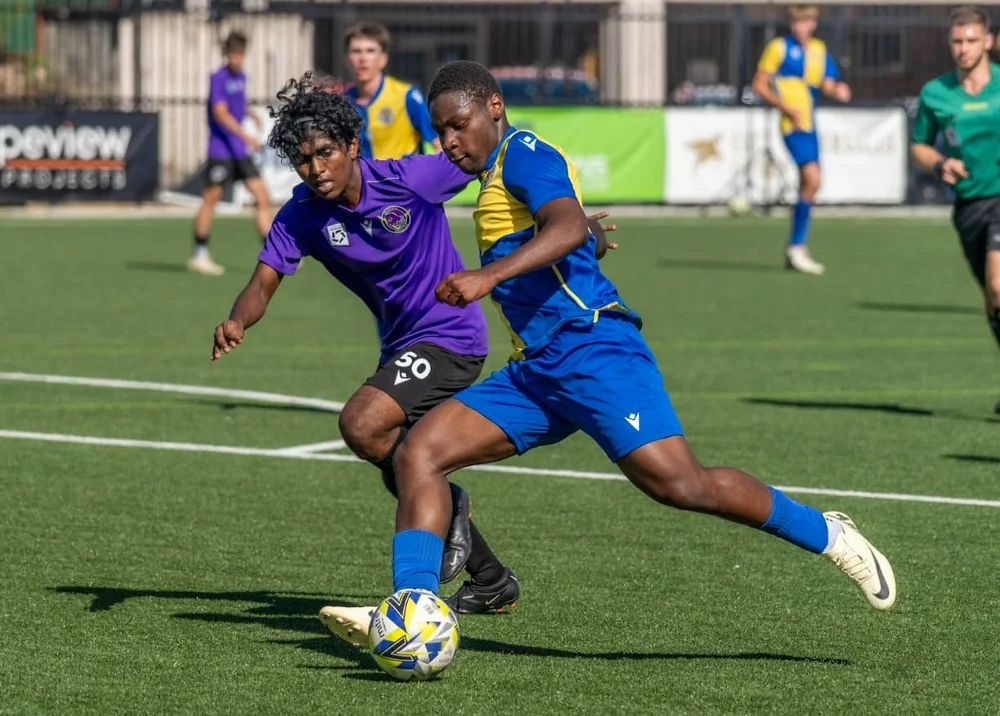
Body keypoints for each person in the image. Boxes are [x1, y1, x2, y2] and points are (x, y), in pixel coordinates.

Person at [373, 61, 897, 626]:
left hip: (594, 350)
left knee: (680, 484)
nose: (449, 141)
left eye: (458, 124)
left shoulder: (522, 151)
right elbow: (568, 235)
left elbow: (566, 225)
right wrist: (574, 243)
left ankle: (828, 533)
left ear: (493, 107)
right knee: (418, 454)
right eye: (441, 131)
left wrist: (490, 275)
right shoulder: (494, 178)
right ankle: (413, 607)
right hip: (538, 371)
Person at [209, 73, 518, 640]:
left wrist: (566, 221)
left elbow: (490, 155)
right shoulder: (301, 215)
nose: (315, 168)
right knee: (398, 462)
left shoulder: (411, 180)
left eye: (325, 152)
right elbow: (261, 283)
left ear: (352, 147)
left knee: (362, 422)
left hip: (451, 335)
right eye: (302, 160)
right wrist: (236, 319)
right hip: (402, 346)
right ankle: (490, 575)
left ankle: (447, 517)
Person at [911, 6, 1000, 414]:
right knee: (993, 299)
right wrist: (939, 163)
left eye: (971, 41)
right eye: (956, 42)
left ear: (989, 41)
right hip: (969, 205)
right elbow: (920, 145)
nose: (963, 49)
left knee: (999, 284)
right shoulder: (936, 93)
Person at [752, 5, 851, 275]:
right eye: (796, 22)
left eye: (805, 22)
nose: (800, 27)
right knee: (813, 179)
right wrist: (784, 107)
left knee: (810, 183)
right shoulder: (778, 47)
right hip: (792, 124)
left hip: (809, 123)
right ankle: (796, 246)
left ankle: (796, 246)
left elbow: (826, 82)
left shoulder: (819, 49)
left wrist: (838, 89)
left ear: (813, 23)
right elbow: (759, 84)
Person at [191, 31, 272, 276]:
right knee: (211, 200)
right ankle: (199, 254)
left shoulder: (242, 77)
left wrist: (250, 113)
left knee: (262, 197)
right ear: (226, 54)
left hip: (238, 151)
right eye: (233, 53)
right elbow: (221, 113)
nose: (237, 58)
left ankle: (273, 254)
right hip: (220, 150)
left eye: (240, 54)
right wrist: (246, 136)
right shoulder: (218, 77)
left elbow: (235, 105)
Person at [342, 22, 441, 159]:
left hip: (402, 179)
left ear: (383, 59)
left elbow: (439, 143)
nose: (362, 59)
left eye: (370, 51)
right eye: (356, 51)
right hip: (361, 180)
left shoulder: (406, 96)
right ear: (347, 59)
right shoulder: (342, 103)